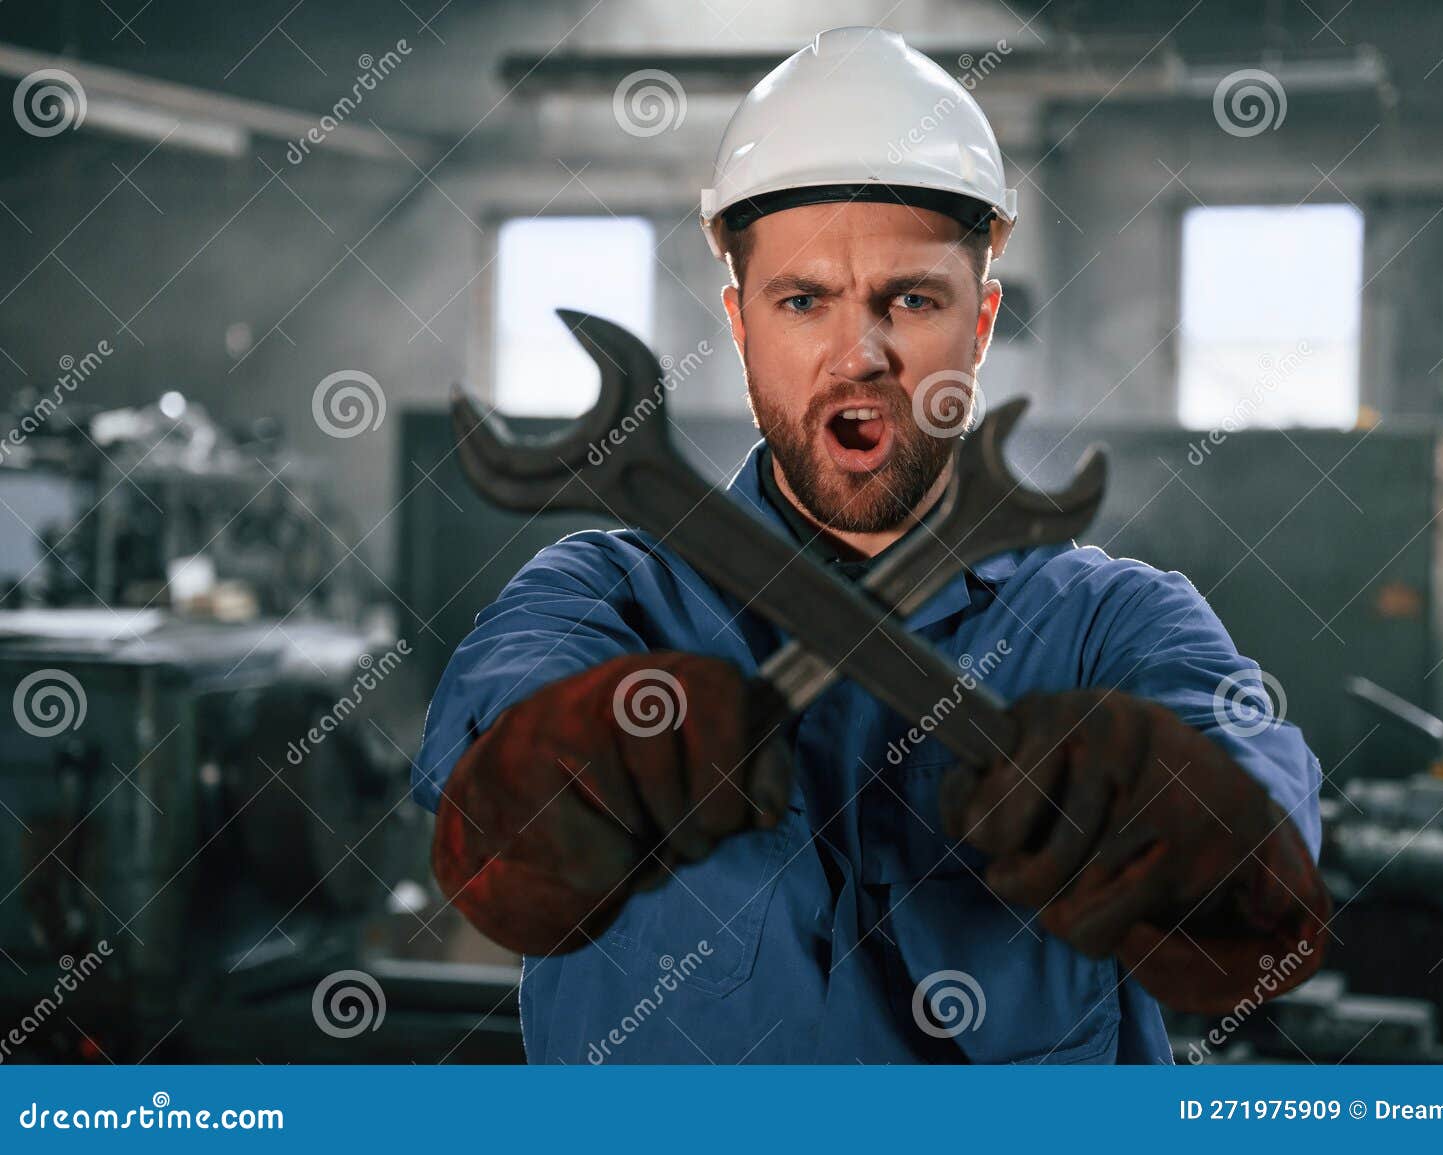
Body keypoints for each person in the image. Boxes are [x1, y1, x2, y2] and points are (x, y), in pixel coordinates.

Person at [412, 26, 1329, 1064]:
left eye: (911, 300)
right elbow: (495, 839)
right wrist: (569, 773)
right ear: (743, 324)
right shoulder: (603, 599)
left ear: (979, 324)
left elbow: (1257, 905)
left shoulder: (1114, 627)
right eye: (804, 302)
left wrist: (1178, 829)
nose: (859, 354)